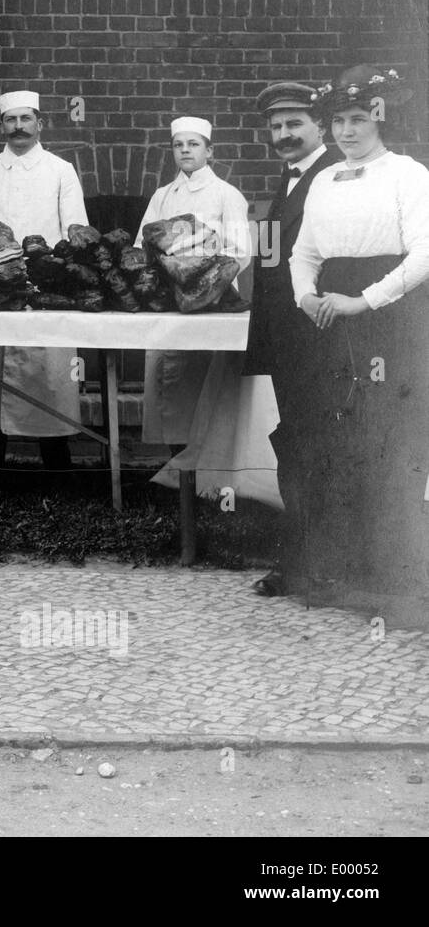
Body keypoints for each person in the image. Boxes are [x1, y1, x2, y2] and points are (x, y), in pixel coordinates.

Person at [282, 65, 429, 618]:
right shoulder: (322, 180)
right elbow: (303, 254)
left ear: (380, 118)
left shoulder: (408, 175)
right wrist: (306, 297)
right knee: (332, 434)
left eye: (358, 119)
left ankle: (394, 580)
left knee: (387, 436)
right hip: (328, 317)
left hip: (390, 316)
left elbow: (424, 254)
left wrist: (363, 301)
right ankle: (334, 570)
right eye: (338, 121)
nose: (346, 131)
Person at [242, 82, 343, 596]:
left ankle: (329, 566)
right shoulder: (285, 183)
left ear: (320, 126)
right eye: (276, 127)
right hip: (289, 345)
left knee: (326, 448)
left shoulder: (335, 177)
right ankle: (300, 563)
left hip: (325, 342)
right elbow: (269, 267)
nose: (283, 135)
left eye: (294, 125)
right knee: (297, 446)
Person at [0, 89, 86, 472]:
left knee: (50, 375)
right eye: (10, 120)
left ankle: (57, 463)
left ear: (40, 123)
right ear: (1, 125)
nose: (18, 127)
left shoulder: (60, 170)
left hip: (45, 290)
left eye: (25, 119)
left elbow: (75, 231)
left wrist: (63, 278)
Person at [139, 116, 251, 449]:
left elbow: (239, 251)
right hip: (167, 302)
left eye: (193, 144)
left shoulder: (226, 195)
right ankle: (176, 463)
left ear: (209, 151)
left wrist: (198, 271)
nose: (185, 150)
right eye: (178, 145)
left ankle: (206, 468)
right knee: (168, 380)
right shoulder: (162, 195)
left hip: (211, 302)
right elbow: (141, 245)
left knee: (203, 379)